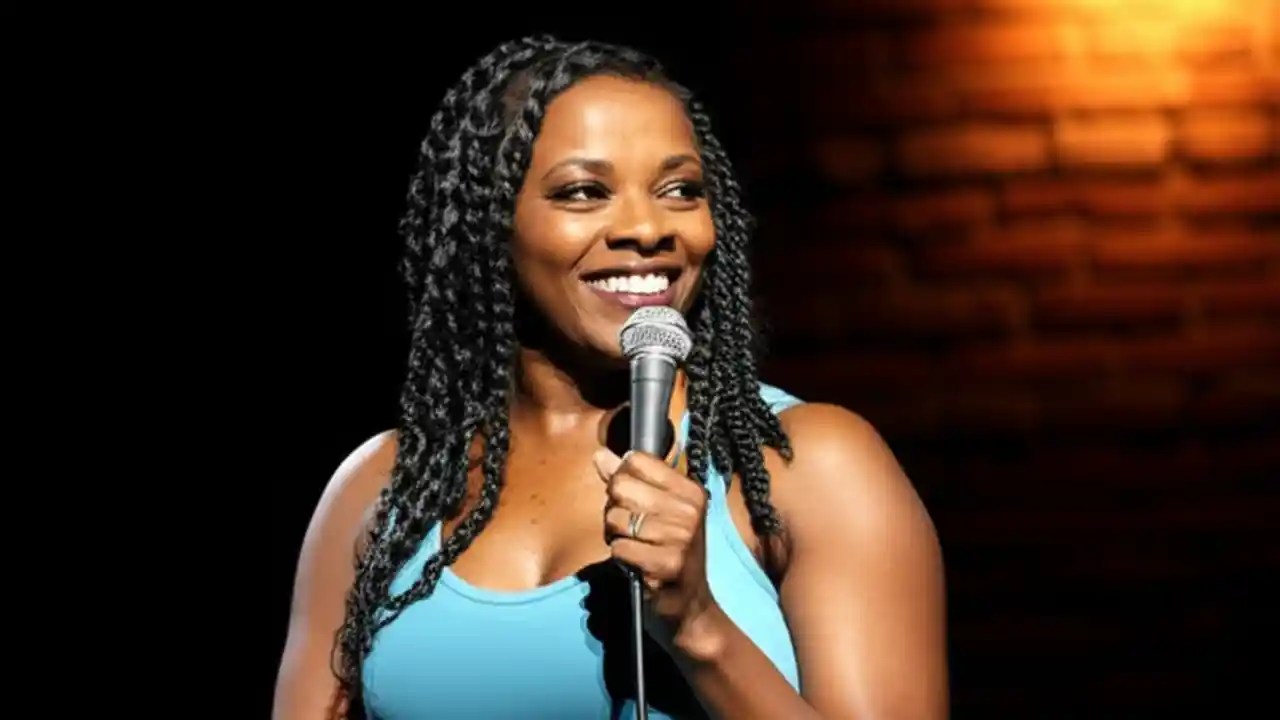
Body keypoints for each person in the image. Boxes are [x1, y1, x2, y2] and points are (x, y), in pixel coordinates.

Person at [272, 35, 948, 720]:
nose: (648, 227)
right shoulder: (385, 486)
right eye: (584, 192)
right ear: (489, 224)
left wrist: (698, 629)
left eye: (680, 190)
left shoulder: (806, 464)